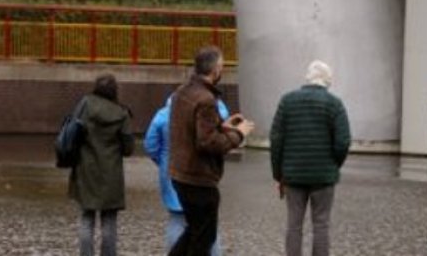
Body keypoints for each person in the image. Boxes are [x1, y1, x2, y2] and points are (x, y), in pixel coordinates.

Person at [169, 45, 255, 256]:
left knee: (194, 231)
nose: (222, 71)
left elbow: (191, 128)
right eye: (222, 67)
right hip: (199, 179)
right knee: (204, 238)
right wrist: (239, 134)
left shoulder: (182, 92)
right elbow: (207, 142)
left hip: (179, 174)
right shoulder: (206, 99)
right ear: (215, 70)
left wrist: (223, 125)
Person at [270, 60, 353, 256]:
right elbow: (343, 142)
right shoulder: (334, 104)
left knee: (293, 225)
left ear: (307, 77)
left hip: (293, 176)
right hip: (324, 178)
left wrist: (278, 174)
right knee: (321, 225)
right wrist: (333, 165)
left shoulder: (287, 101)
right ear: (327, 80)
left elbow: (276, 140)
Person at [145, 91, 230, 255]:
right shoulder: (211, 109)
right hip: (201, 173)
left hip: (172, 173)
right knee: (207, 224)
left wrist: (162, 162)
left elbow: (151, 145)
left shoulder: (163, 115)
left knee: (177, 219)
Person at [68, 73, 136, 256]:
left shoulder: (85, 105)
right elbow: (129, 149)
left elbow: (72, 132)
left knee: (86, 217)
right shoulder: (122, 113)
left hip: (86, 169)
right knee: (109, 220)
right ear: (115, 91)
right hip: (111, 173)